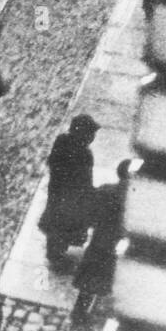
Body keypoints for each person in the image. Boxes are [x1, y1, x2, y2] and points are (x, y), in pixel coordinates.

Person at [72, 159, 133, 327]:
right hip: (119, 246)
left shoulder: (105, 191)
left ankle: (79, 315)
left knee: (90, 282)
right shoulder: (135, 200)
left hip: (100, 243)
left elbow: (88, 213)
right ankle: (98, 317)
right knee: (110, 280)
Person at [39, 115, 99, 269]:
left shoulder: (62, 141)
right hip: (72, 194)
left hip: (57, 190)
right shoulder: (85, 154)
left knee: (56, 221)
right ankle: (56, 254)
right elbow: (85, 178)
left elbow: (53, 162)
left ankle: (55, 251)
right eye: (91, 134)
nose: (92, 138)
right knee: (65, 224)